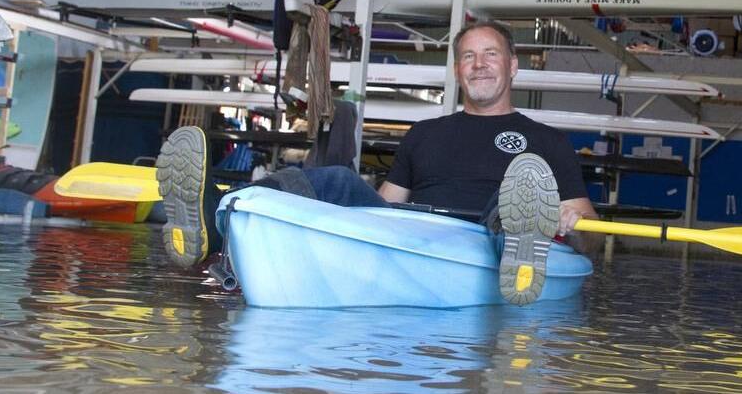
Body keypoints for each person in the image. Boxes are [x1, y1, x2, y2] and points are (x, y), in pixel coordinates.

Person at [157, 20, 599, 305]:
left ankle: (519, 245)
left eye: (490, 54)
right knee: (331, 178)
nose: (479, 65)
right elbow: (383, 208)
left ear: (514, 66)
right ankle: (215, 216)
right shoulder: (426, 133)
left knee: (510, 201)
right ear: (457, 70)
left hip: (486, 232)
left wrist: (566, 218)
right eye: (468, 56)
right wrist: (352, 217)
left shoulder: (546, 141)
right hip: (414, 227)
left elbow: (589, 237)